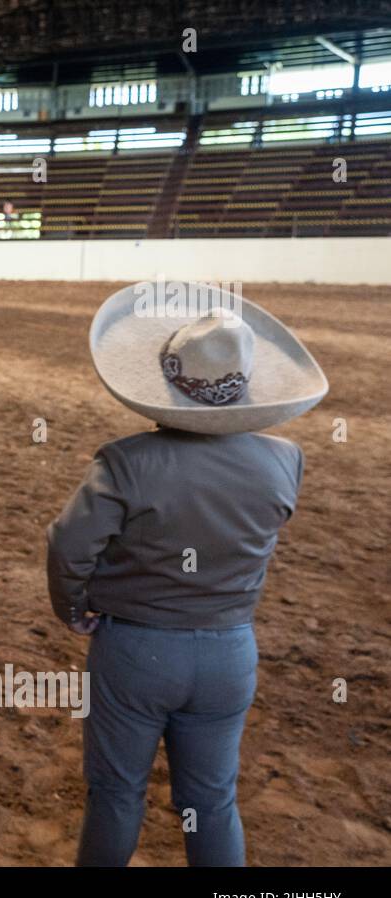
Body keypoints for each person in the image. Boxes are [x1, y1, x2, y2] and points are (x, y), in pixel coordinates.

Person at [46, 290, 329, 867]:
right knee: (212, 799)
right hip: (229, 649)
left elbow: (68, 547)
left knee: (116, 794)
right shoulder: (284, 460)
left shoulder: (126, 462)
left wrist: (74, 607)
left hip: (136, 649)